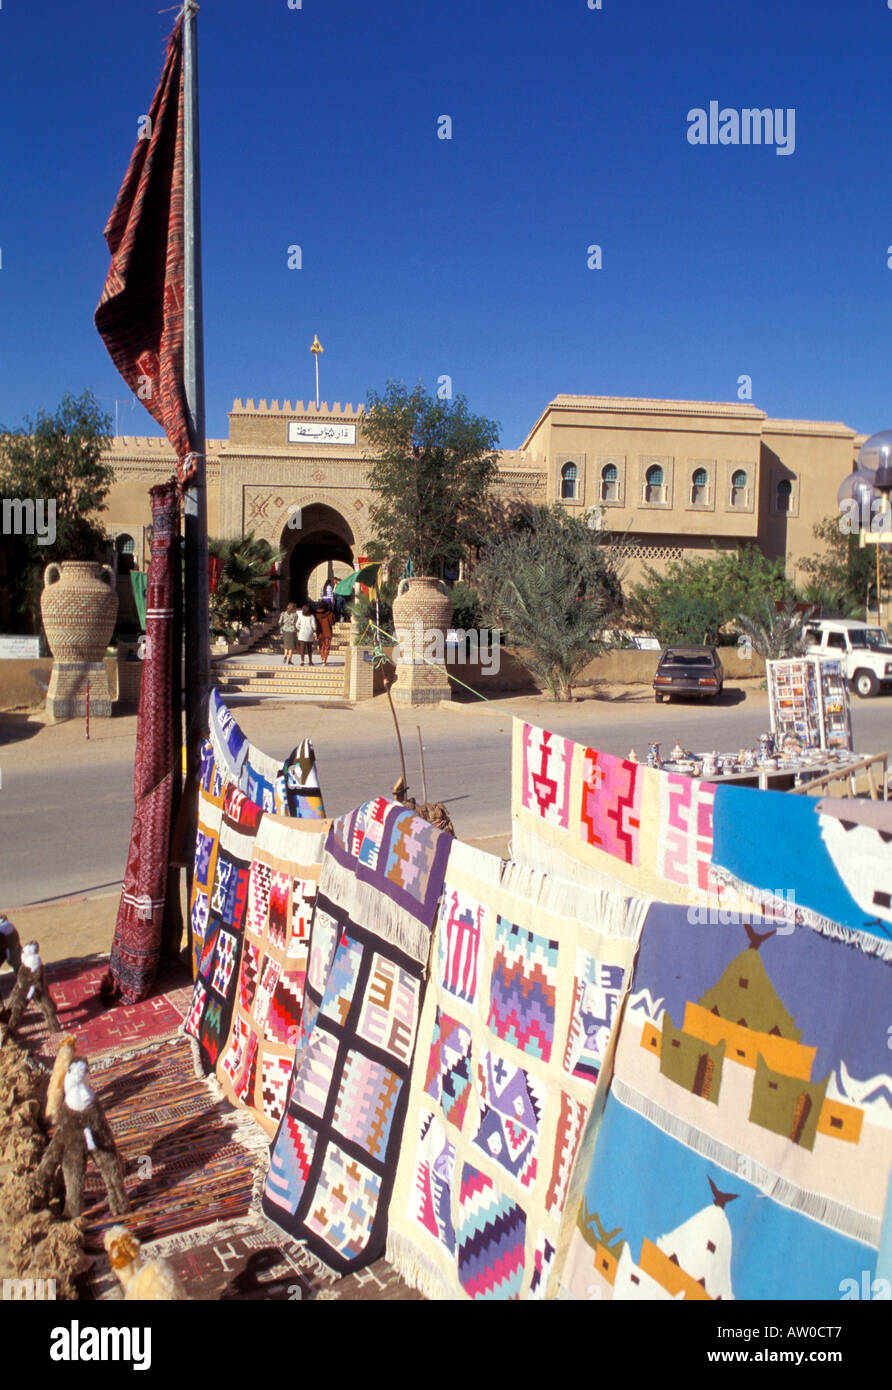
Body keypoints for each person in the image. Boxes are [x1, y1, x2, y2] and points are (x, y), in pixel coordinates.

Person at [316, 600, 335, 666]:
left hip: (320, 631)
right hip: (328, 632)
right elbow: (333, 622)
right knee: (327, 646)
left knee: (321, 646)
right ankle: (325, 660)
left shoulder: (317, 614)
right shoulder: (330, 613)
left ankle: (322, 659)